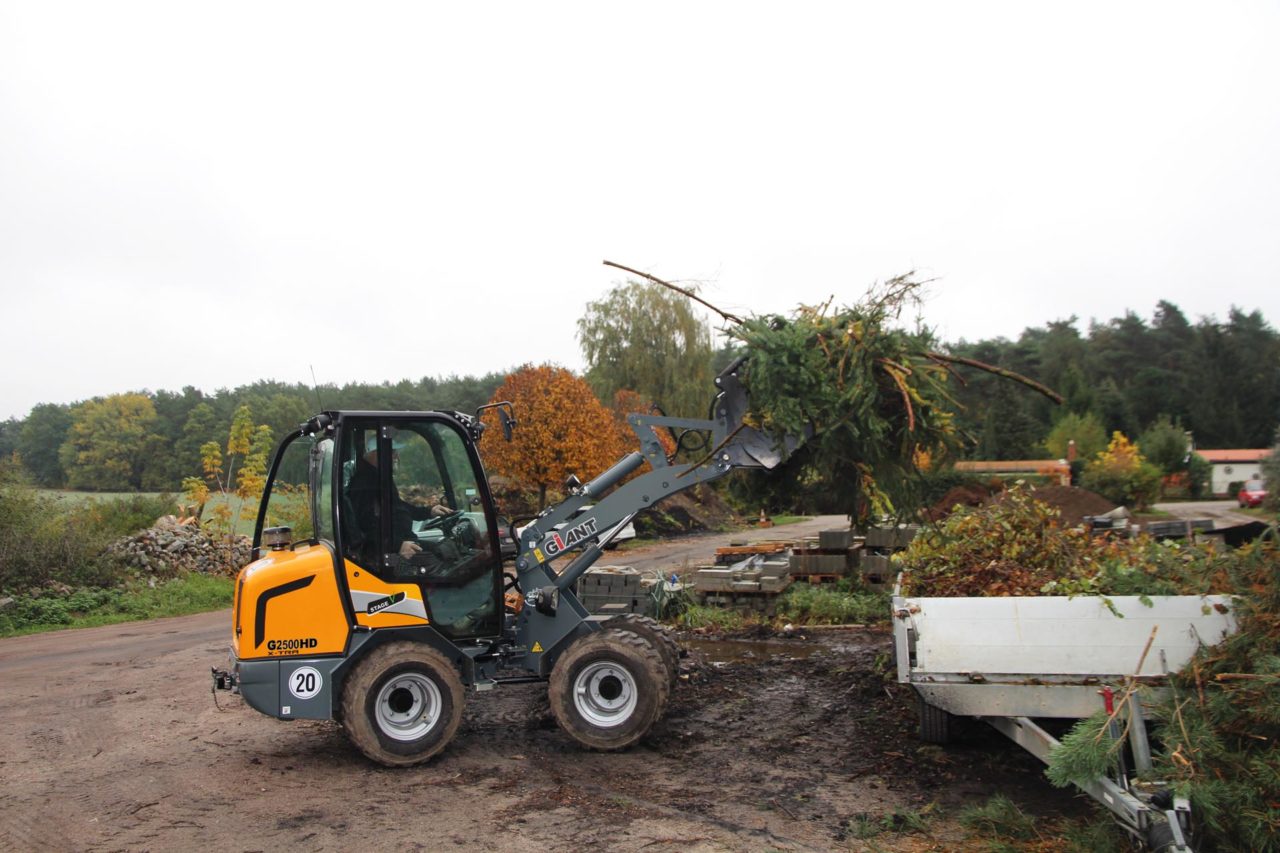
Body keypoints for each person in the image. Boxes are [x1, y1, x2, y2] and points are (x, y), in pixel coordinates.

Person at [346, 435, 451, 564]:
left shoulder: (379, 477)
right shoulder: (365, 483)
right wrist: (397, 545)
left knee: (443, 551)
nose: (396, 457)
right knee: (444, 557)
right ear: (376, 454)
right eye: (392, 452)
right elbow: (366, 524)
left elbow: (398, 507)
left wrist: (429, 511)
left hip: (400, 542)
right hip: (388, 552)